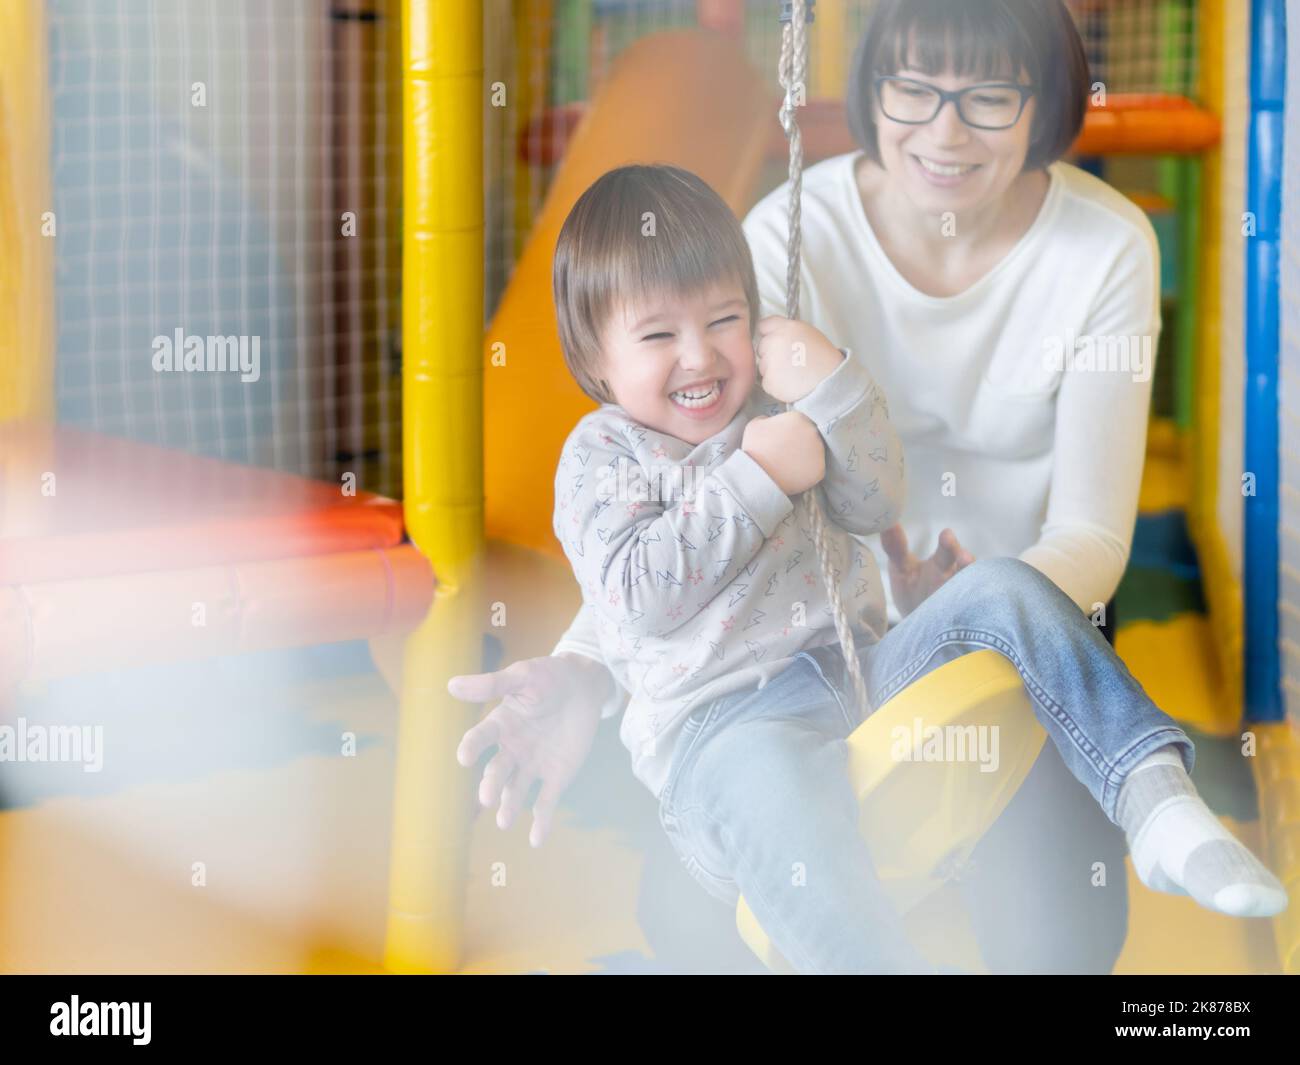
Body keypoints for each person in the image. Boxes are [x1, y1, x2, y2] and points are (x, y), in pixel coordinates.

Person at [452, 156, 1285, 975]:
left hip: (857, 677)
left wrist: (832, 386)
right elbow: (635, 599)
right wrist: (757, 477)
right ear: (596, 359)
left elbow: (875, 501)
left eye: (723, 319)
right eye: (659, 335)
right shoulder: (603, 454)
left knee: (1003, 584)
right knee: (769, 789)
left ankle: (1157, 803)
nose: (701, 357)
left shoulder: (775, 404)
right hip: (722, 736)